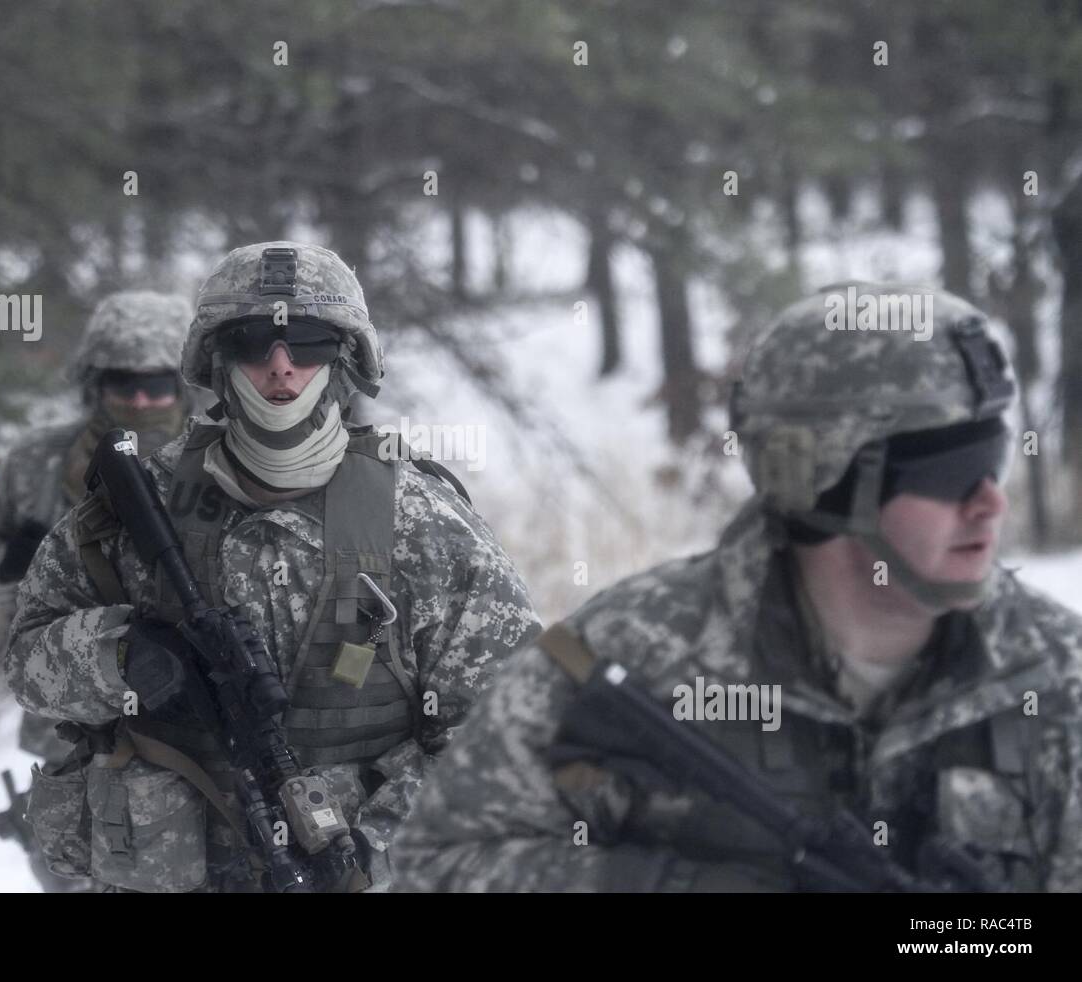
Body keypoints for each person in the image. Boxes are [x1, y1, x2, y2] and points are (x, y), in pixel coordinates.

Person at [390, 282, 1082, 893]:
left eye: (994, 457)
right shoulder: (628, 654)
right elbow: (437, 867)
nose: (992, 501)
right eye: (951, 471)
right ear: (828, 479)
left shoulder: (1055, 673)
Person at [4, 241, 540, 892]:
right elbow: (28, 662)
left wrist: (376, 847)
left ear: (345, 360)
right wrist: (116, 656)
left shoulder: (425, 529)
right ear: (218, 362)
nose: (281, 367)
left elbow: (512, 736)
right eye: (256, 342)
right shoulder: (132, 513)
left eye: (307, 342)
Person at [0, 290, 191, 890]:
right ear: (92, 384)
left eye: (157, 385)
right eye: (121, 385)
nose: (139, 401)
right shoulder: (34, 464)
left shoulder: (221, 460)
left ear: (185, 385)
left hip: (188, 716)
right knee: (73, 867)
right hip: (67, 718)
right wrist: (5, 562)